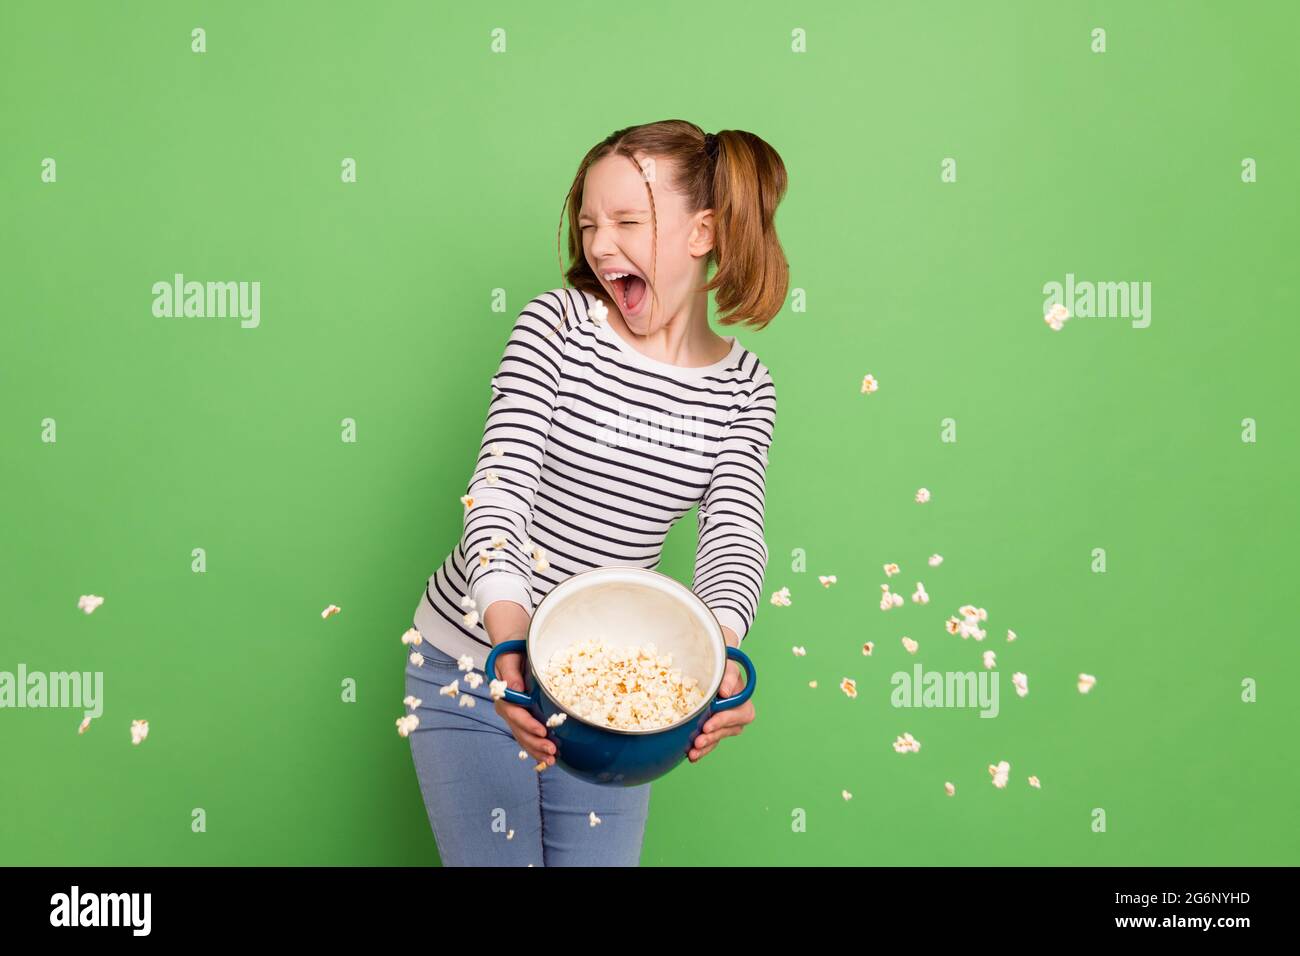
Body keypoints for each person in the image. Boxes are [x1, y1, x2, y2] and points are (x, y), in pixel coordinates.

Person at [405, 120, 789, 866]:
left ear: (703, 232)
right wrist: (509, 640)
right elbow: (501, 490)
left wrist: (721, 655)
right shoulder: (558, 327)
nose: (600, 245)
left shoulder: (746, 389)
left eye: (626, 222)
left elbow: (733, 538)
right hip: (473, 666)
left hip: (612, 700)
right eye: (587, 224)